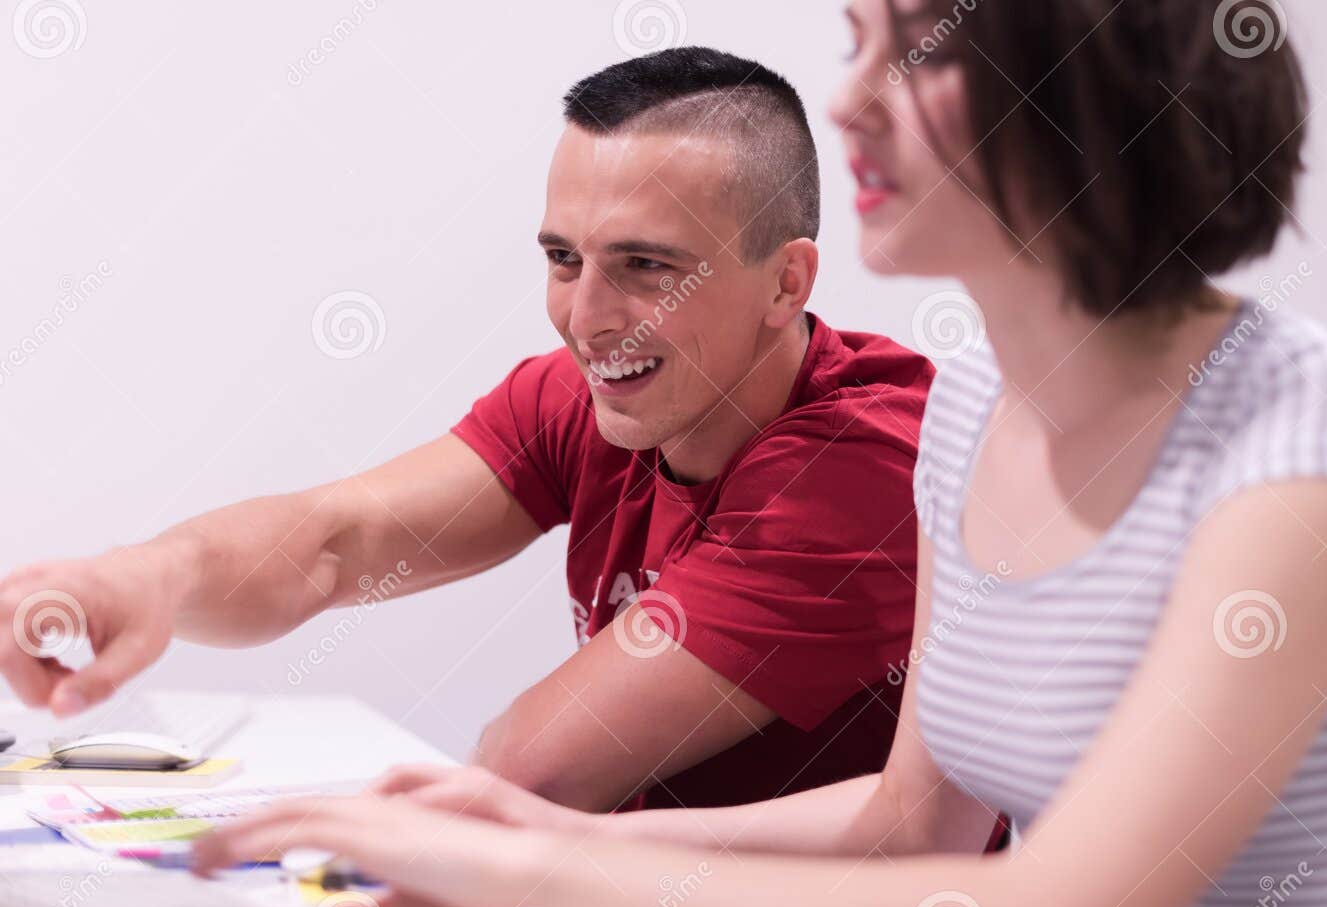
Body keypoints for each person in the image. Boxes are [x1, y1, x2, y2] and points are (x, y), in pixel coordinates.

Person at [197, 0, 1327, 907]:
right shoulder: (974, 411)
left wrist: (539, 869)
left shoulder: (1320, 421)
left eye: (921, 52)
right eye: (860, 46)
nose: (848, 102)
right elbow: (911, 827)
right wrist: (535, 840)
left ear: (1092, 83)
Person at [0, 47, 931, 813]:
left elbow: (534, 771)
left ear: (786, 283)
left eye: (647, 266)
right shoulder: (602, 393)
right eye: (563, 258)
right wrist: (148, 577)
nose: (585, 319)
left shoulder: (865, 466)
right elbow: (333, 542)